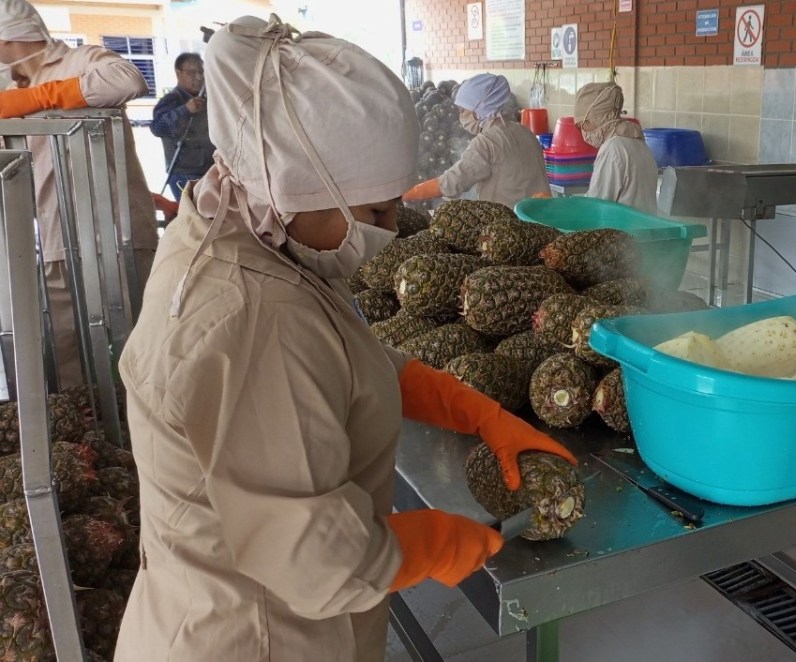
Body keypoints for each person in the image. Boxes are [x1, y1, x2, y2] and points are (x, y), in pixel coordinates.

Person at [114, 16, 576, 661]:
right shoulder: (252, 315)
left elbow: (335, 355)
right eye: (376, 211)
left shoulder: (238, 222)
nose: (388, 228)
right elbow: (317, 560)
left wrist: (473, 411)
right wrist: (438, 543)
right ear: (299, 187)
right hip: (255, 639)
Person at [0, 0, 159, 387]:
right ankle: (88, 440)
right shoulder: (8, 85)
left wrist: (42, 98)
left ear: (7, 40)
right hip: (55, 238)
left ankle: (145, 435)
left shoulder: (82, 60)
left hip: (116, 237)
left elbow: (128, 81)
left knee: (138, 347)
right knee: (67, 350)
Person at [401, 73, 550, 207]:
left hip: (509, 227)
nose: (461, 116)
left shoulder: (486, 142)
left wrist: (407, 194)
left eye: (463, 111)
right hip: (540, 220)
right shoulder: (525, 131)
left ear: (480, 110)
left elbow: (452, 183)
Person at [574, 81, 659, 214]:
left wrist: (569, 206)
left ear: (596, 119)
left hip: (623, 232)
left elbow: (598, 203)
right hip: (644, 229)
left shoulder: (613, 149)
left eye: (583, 125)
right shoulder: (638, 143)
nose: (583, 132)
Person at [150, 52, 215, 201]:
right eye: (191, 73)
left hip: (210, 168)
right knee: (193, 218)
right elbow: (157, 128)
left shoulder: (208, 98)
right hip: (184, 172)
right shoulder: (172, 100)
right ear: (178, 73)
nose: (198, 77)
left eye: (201, 72)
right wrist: (184, 110)